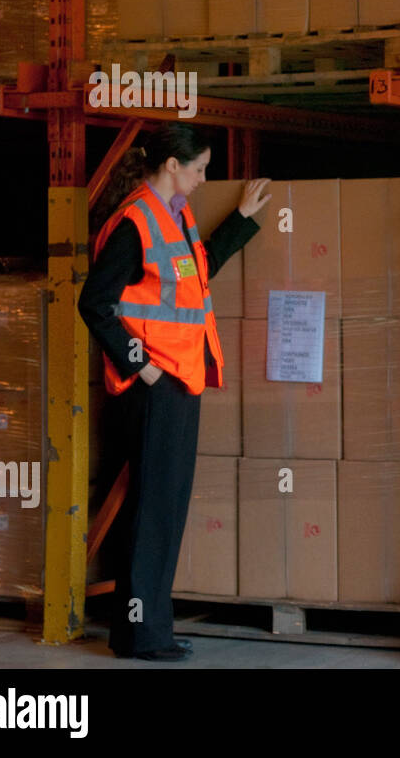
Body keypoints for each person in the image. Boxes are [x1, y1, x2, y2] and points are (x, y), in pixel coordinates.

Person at [79, 123, 270, 661]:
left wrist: (241, 220)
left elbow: (197, 275)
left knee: (164, 508)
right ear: (171, 166)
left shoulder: (176, 217)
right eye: (200, 168)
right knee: (153, 511)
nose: (204, 178)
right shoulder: (134, 222)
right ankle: (142, 636)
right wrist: (141, 367)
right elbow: (95, 303)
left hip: (180, 380)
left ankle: (145, 630)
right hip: (155, 385)